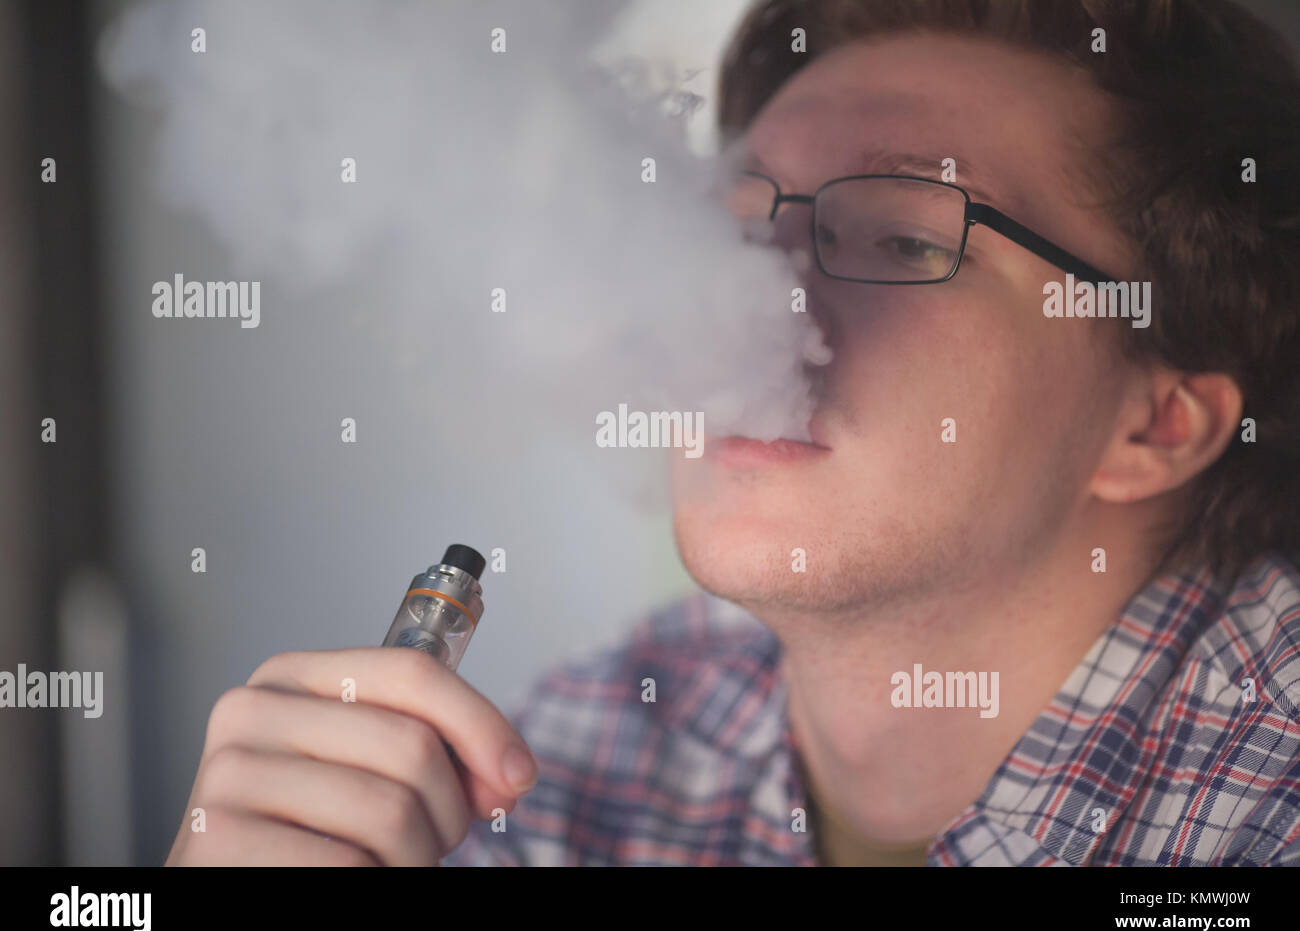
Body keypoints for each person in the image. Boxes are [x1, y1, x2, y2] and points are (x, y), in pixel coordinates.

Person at [165, 0, 1300, 866]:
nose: (747, 298)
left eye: (905, 238)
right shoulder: (602, 735)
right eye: (736, 218)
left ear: (1155, 424)